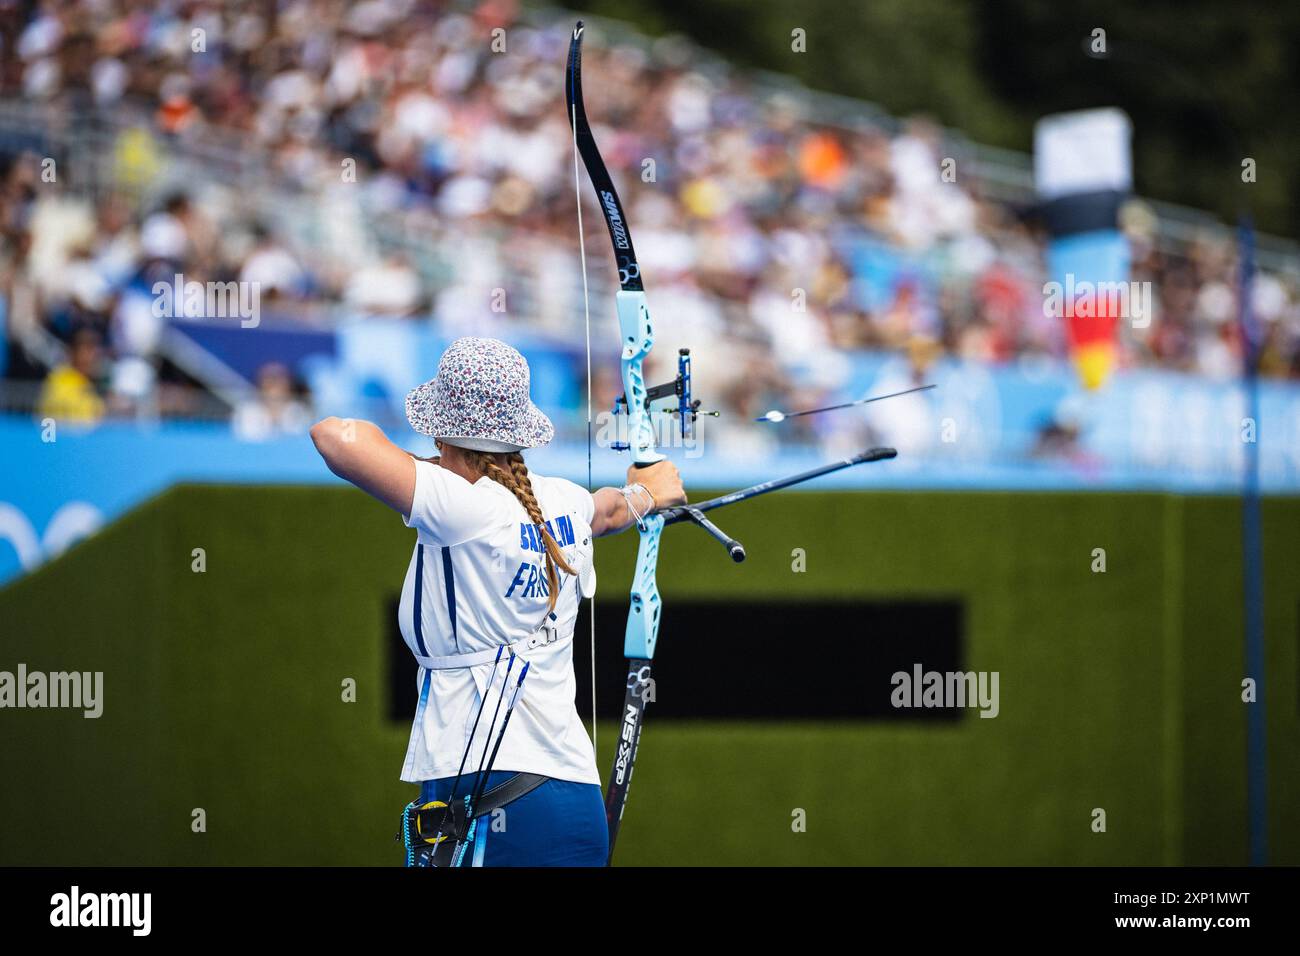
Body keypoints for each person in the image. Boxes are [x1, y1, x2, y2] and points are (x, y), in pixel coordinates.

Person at [310, 336, 684, 866]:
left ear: (441, 432)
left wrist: (429, 465)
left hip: (497, 805)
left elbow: (333, 436)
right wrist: (648, 491)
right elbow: (609, 511)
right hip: (571, 798)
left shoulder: (459, 506)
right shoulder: (561, 499)